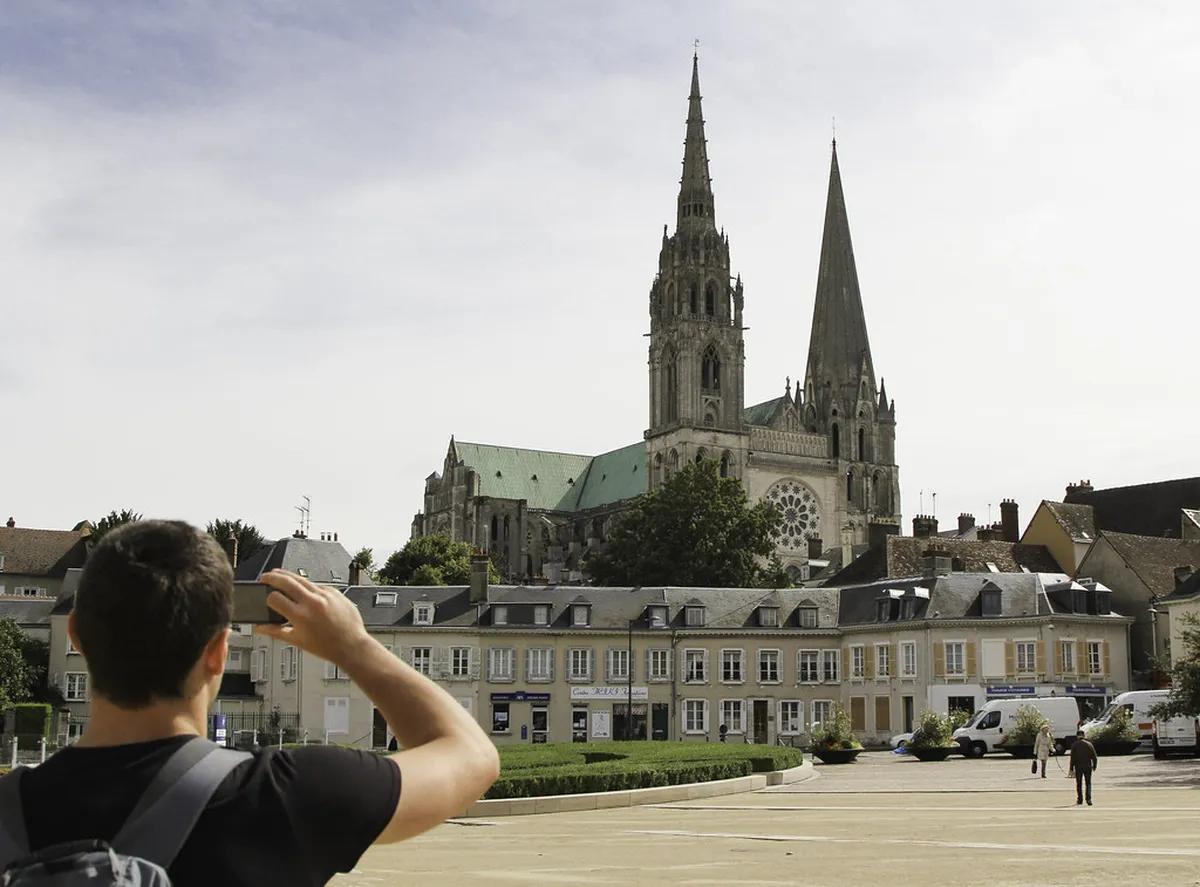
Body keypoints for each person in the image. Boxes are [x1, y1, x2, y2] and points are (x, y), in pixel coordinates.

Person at [0, 520, 499, 885]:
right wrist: (353, 645)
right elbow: (471, 756)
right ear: (218, 652)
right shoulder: (284, 794)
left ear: (77, 638)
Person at [1067, 729, 1098, 806]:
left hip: (1078, 766)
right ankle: (1088, 799)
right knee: (1088, 783)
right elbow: (1094, 757)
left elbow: (1072, 758)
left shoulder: (1074, 745)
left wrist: (1071, 768)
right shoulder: (1089, 744)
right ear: (1084, 735)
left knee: (1079, 783)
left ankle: (1080, 799)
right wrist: (1094, 766)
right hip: (1087, 766)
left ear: (1077, 736)